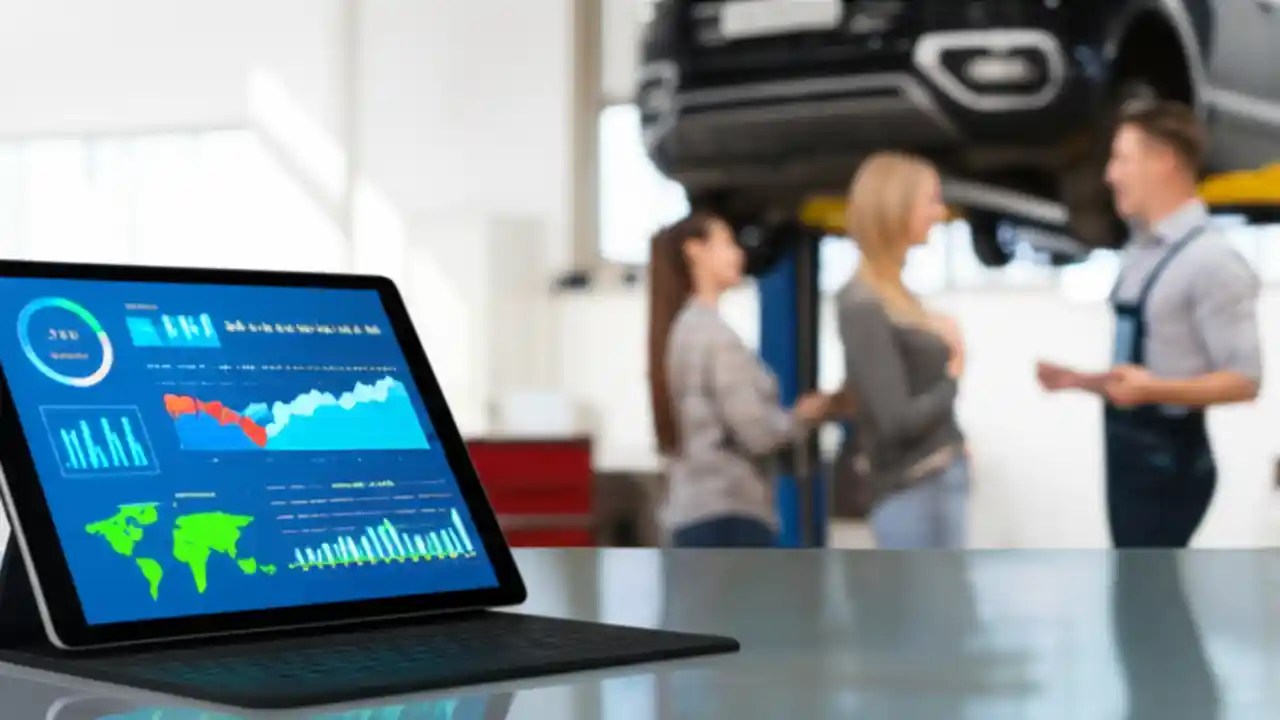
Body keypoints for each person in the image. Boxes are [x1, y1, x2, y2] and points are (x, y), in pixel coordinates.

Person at [1038, 100, 1261, 548]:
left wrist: (1154, 391)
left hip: (1171, 465)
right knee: (1137, 599)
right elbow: (1141, 364)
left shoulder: (1212, 260)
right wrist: (1083, 381)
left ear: (1163, 161)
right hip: (1127, 454)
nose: (1109, 175)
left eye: (1121, 158)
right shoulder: (1141, 251)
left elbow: (1245, 381)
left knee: (1153, 603)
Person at [648, 212, 831, 548]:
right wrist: (806, 415)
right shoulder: (716, 337)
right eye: (727, 243)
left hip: (693, 511)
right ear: (695, 251)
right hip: (728, 516)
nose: (739, 254)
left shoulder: (682, 329)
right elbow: (757, 433)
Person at [836, 151, 969, 549]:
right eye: (930, 200)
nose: (940, 212)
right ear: (896, 206)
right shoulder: (863, 302)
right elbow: (895, 422)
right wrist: (954, 375)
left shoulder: (897, 297)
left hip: (935, 481)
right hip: (912, 491)